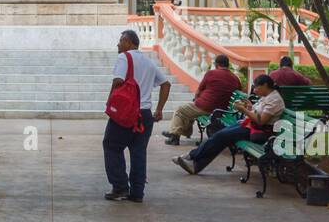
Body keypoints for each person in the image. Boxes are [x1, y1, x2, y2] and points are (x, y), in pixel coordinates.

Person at [103, 29, 171, 203]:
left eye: (120, 41)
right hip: (146, 114)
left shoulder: (124, 57)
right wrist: (159, 109)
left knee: (111, 146)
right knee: (138, 152)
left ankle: (120, 188)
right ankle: (137, 192)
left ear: (128, 42)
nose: (118, 44)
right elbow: (166, 84)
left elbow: (118, 81)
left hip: (127, 113)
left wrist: (110, 104)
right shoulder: (149, 62)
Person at [172, 74, 284, 175]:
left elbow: (261, 121)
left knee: (221, 136)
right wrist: (249, 106)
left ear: (265, 85)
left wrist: (243, 110)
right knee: (220, 136)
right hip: (251, 126)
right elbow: (257, 113)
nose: (254, 90)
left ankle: (192, 156)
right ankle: (195, 164)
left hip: (260, 131)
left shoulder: (274, 100)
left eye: (256, 87)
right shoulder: (266, 96)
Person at [161, 54, 240, 146]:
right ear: (227, 64)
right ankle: (183, 132)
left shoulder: (211, 73)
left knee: (180, 110)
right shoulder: (235, 78)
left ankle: (174, 135)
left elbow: (199, 91)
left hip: (206, 106)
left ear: (216, 64)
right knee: (189, 110)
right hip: (222, 109)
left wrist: (196, 100)